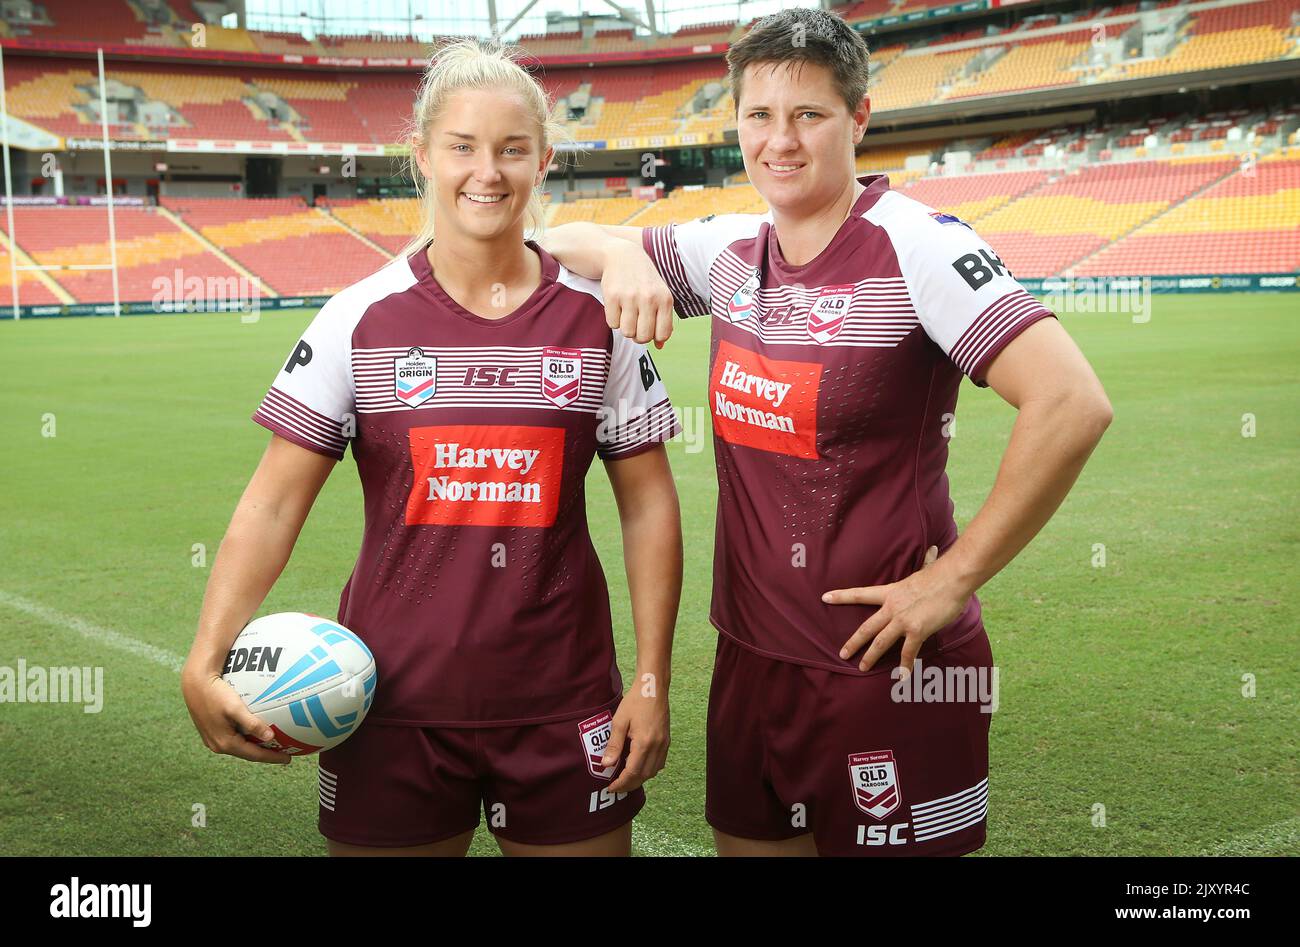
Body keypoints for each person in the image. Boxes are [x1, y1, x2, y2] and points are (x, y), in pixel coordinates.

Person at [541, 8, 1112, 856]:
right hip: (749, 658)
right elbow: (552, 241)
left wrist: (951, 578)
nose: (781, 140)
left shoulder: (916, 246)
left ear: (860, 118)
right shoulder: (729, 247)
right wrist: (624, 255)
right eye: (759, 116)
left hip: (888, 664)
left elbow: (1071, 400)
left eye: (808, 114)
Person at [181, 40, 683, 857]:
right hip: (388, 703)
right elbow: (273, 502)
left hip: (564, 700)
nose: (487, 171)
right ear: (422, 156)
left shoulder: (598, 318)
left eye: (512, 149)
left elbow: (650, 502)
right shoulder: (357, 317)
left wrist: (652, 678)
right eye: (462, 146)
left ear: (543, 161)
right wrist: (205, 656)